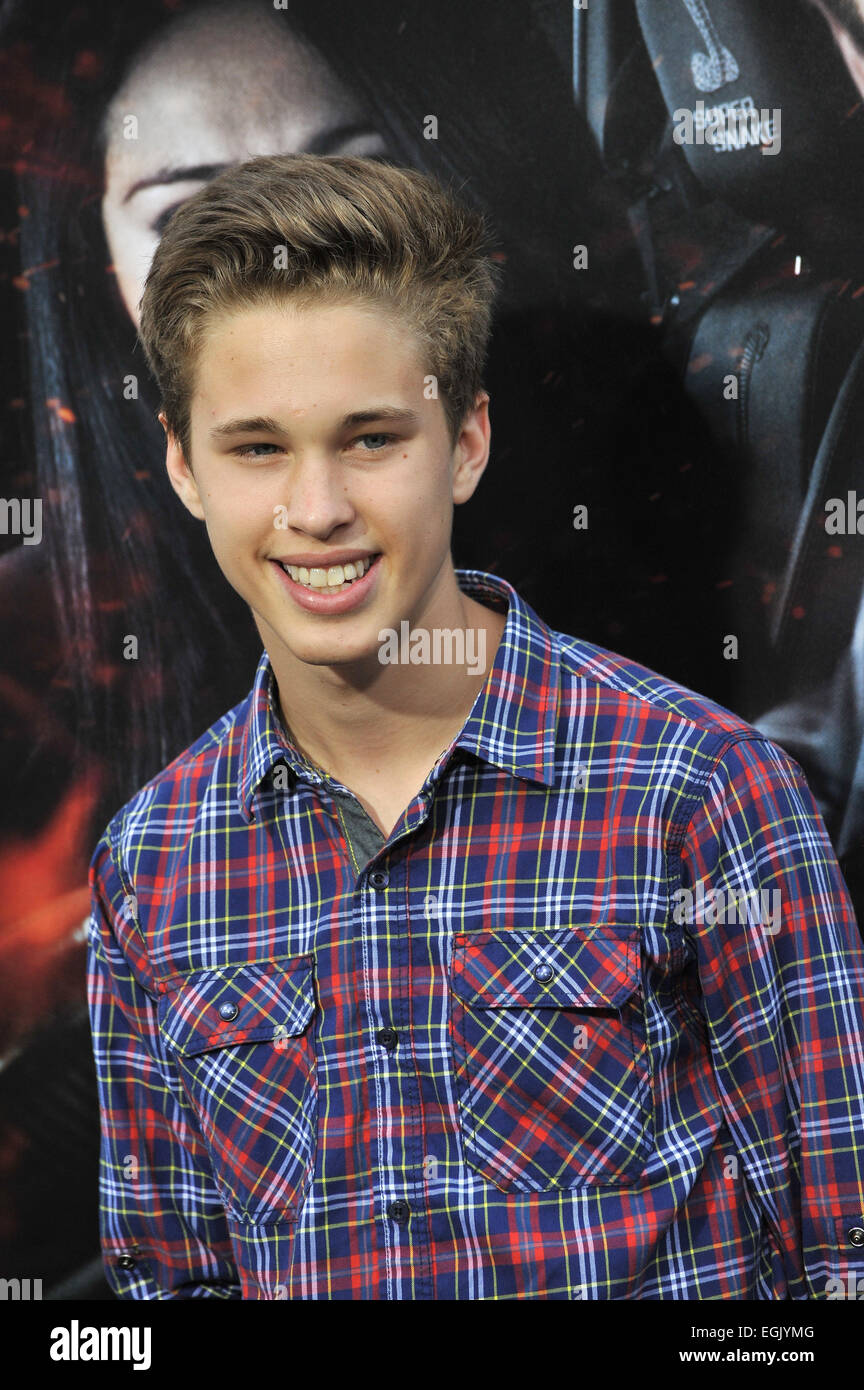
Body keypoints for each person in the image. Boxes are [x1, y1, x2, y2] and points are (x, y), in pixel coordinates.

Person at [85, 150, 864, 1301]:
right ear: (184, 468)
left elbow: (838, 1262)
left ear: (467, 444)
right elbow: (165, 1296)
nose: (317, 510)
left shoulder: (706, 798)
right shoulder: (151, 871)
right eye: (257, 447)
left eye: (371, 438)